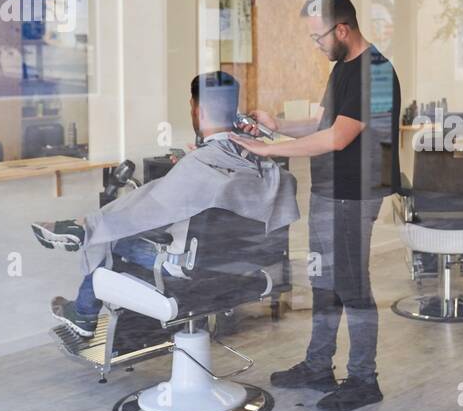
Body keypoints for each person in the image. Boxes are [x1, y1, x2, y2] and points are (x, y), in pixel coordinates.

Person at [231, 0, 400, 411]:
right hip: (328, 189)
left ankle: (364, 379)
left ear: (342, 29)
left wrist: (270, 151)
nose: (317, 45)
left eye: (318, 37)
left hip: (354, 193)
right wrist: (276, 126)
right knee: (324, 283)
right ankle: (317, 366)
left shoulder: (375, 72)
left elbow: (338, 138)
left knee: (352, 286)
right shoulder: (344, 67)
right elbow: (325, 123)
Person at [32, 71, 299, 338]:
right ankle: (85, 235)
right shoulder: (257, 160)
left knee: (112, 236)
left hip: (189, 266)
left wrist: (97, 224)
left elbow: (147, 209)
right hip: (239, 264)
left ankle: (84, 309)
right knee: (128, 223)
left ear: (198, 110)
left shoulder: (198, 165)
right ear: (235, 111)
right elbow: (234, 194)